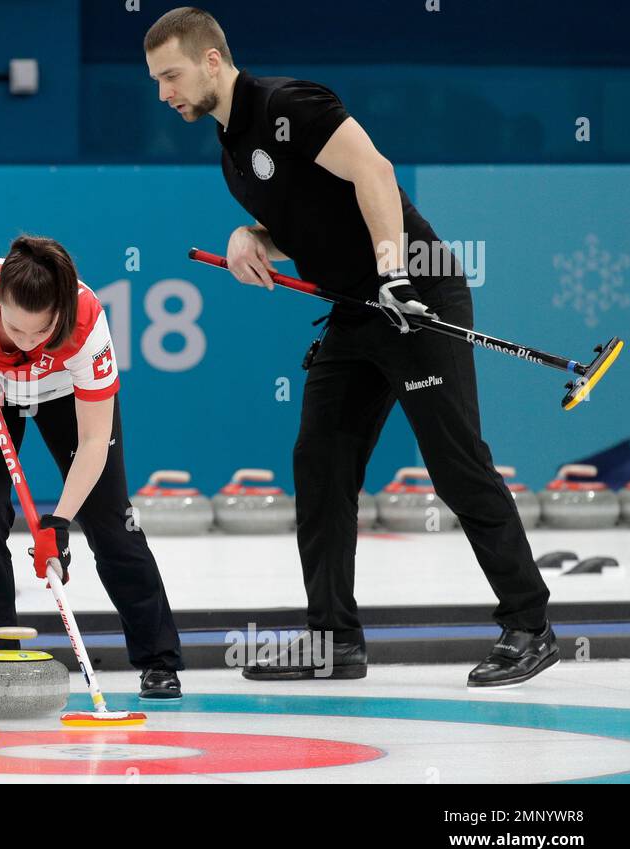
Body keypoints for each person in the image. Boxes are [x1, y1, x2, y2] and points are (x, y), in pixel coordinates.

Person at [144, 8, 555, 686]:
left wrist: (394, 271)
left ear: (212, 60)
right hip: (355, 312)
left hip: (415, 294)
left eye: (171, 75)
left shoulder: (291, 104)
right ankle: (334, 640)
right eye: (157, 81)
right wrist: (254, 237)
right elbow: (305, 214)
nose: (164, 93)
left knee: (457, 465)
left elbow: (373, 171)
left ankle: (529, 626)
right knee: (321, 464)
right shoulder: (231, 148)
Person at [0, 235, 184, 698]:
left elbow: (95, 439)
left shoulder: (87, 321)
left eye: (42, 332)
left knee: (111, 522)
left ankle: (158, 659)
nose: (29, 342)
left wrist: (58, 521)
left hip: (61, 394)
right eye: (17, 330)